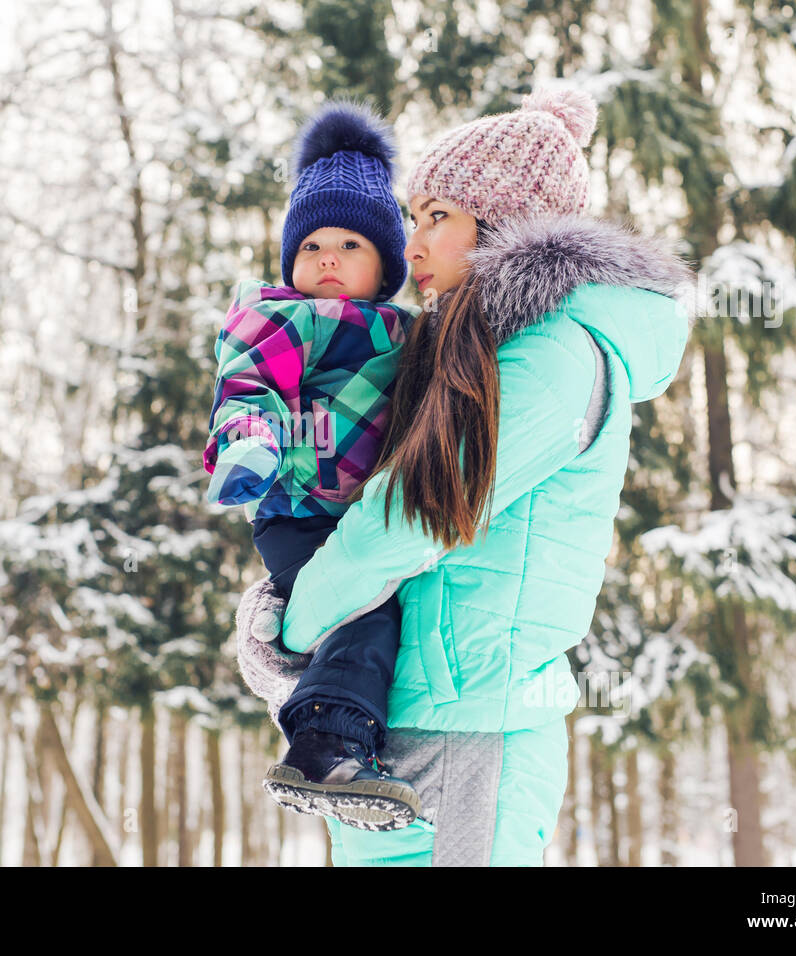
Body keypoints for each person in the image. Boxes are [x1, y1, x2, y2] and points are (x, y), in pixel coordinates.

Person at [234, 85, 697, 865]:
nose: (410, 246)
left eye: (436, 216)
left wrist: (295, 629)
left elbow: (409, 516)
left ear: (506, 220)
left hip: (469, 733)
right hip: (397, 731)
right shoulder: (466, 352)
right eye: (414, 219)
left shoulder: (552, 357)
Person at [203, 99, 426, 830]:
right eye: (312, 246)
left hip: (371, 510)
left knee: (384, 609)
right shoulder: (279, 318)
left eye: (350, 245)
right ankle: (325, 749)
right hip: (298, 509)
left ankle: (343, 742)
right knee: (363, 610)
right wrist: (249, 443)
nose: (327, 257)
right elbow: (246, 385)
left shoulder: (408, 334)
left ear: (387, 264)